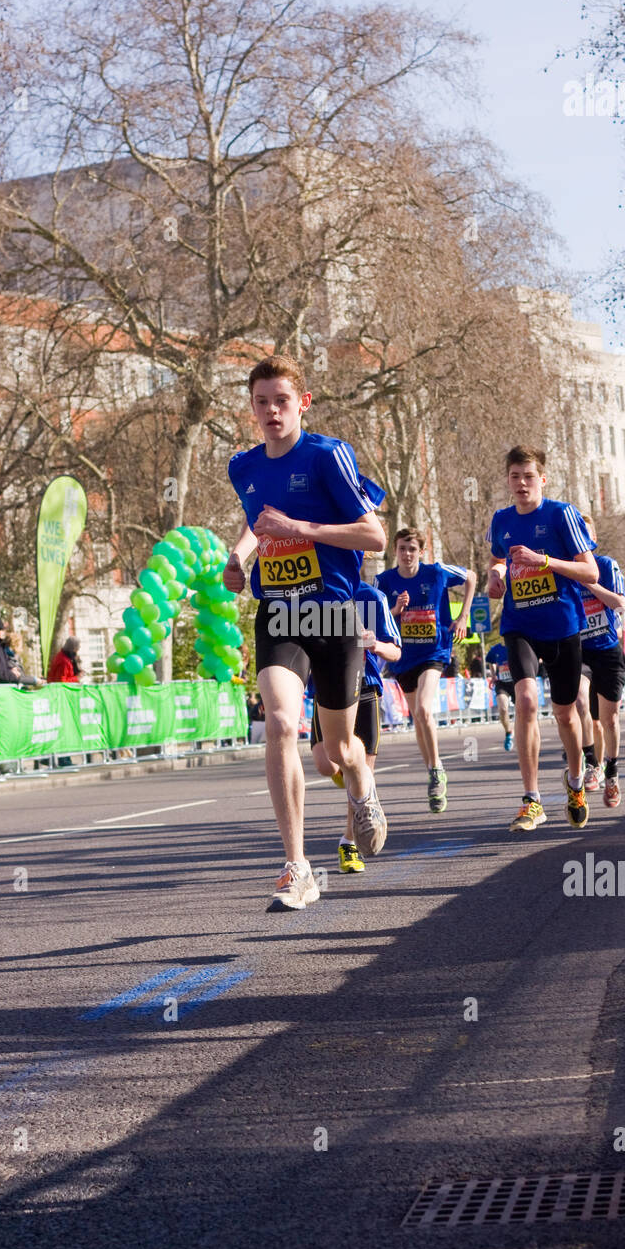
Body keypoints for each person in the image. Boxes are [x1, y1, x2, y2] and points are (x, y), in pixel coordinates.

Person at [223, 353, 388, 912]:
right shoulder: (242, 467)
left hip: (333, 613)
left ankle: (362, 781)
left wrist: (298, 528)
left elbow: (375, 536)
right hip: (279, 612)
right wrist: (240, 557)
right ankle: (297, 866)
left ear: (303, 404)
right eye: (262, 402)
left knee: (339, 750)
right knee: (280, 721)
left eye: (282, 401)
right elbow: (257, 519)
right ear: (252, 408)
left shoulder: (328, 456)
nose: (272, 411)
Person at [486, 445, 598, 832]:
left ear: (542, 479)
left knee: (566, 715)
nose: (521, 483)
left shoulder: (561, 514)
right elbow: (497, 558)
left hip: (563, 627)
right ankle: (531, 799)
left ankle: (575, 781)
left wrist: (544, 561)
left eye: (528, 476)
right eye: (515, 476)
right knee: (526, 700)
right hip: (520, 625)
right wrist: (496, 575)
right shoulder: (500, 520)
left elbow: (591, 573)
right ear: (507, 480)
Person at [375, 527, 476, 813]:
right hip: (403, 656)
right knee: (417, 719)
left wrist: (463, 616)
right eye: (402, 548)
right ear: (395, 551)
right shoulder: (383, 581)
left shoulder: (437, 572)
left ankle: (436, 772)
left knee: (423, 709)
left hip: (435, 651)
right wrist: (395, 610)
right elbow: (374, 618)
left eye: (412, 549)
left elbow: (471, 576)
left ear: (422, 551)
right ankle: (431, 766)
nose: (406, 554)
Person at [309, 582, 401, 873]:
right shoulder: (311, 594)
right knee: (326, 764)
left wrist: (374, 644)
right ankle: (354, 776)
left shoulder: (372, 597)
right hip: (326, 690)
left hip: (365, 690)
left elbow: (395, 651)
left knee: (357, 776)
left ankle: (348, 844)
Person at [576, 512, 625, 807]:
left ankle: (612, 771)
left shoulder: (606, 565)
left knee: (609, 719)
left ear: (593, 538)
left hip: (607, 650)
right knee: (581, 703)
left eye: (586, 532)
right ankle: (591, 763)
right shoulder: (565, 571)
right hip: (579, 651)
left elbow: (619, 603)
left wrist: (590, 582)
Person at [485, 640, 514, 750]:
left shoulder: (515, 644)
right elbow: (490, 660)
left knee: (522, 710)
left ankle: (523, 733)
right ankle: (508, 732)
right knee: (503, 709)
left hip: (516, 682)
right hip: (502, 683)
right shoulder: (496, 649)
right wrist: (493, 675)